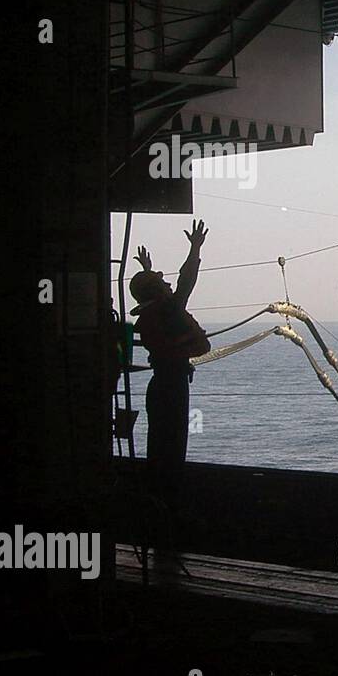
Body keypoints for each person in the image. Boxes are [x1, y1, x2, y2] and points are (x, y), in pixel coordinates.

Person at [129, 220, 211, 515]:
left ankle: (159, 508)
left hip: (162, 385)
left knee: (159, 446)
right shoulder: (167, 310)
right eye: (159, 279)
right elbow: (186, 282)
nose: (166, 280)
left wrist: (147, 270)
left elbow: (168, 290)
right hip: (172, 387)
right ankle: (169, 510)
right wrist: (195, 248)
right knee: (173, 448)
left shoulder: (154, 315)